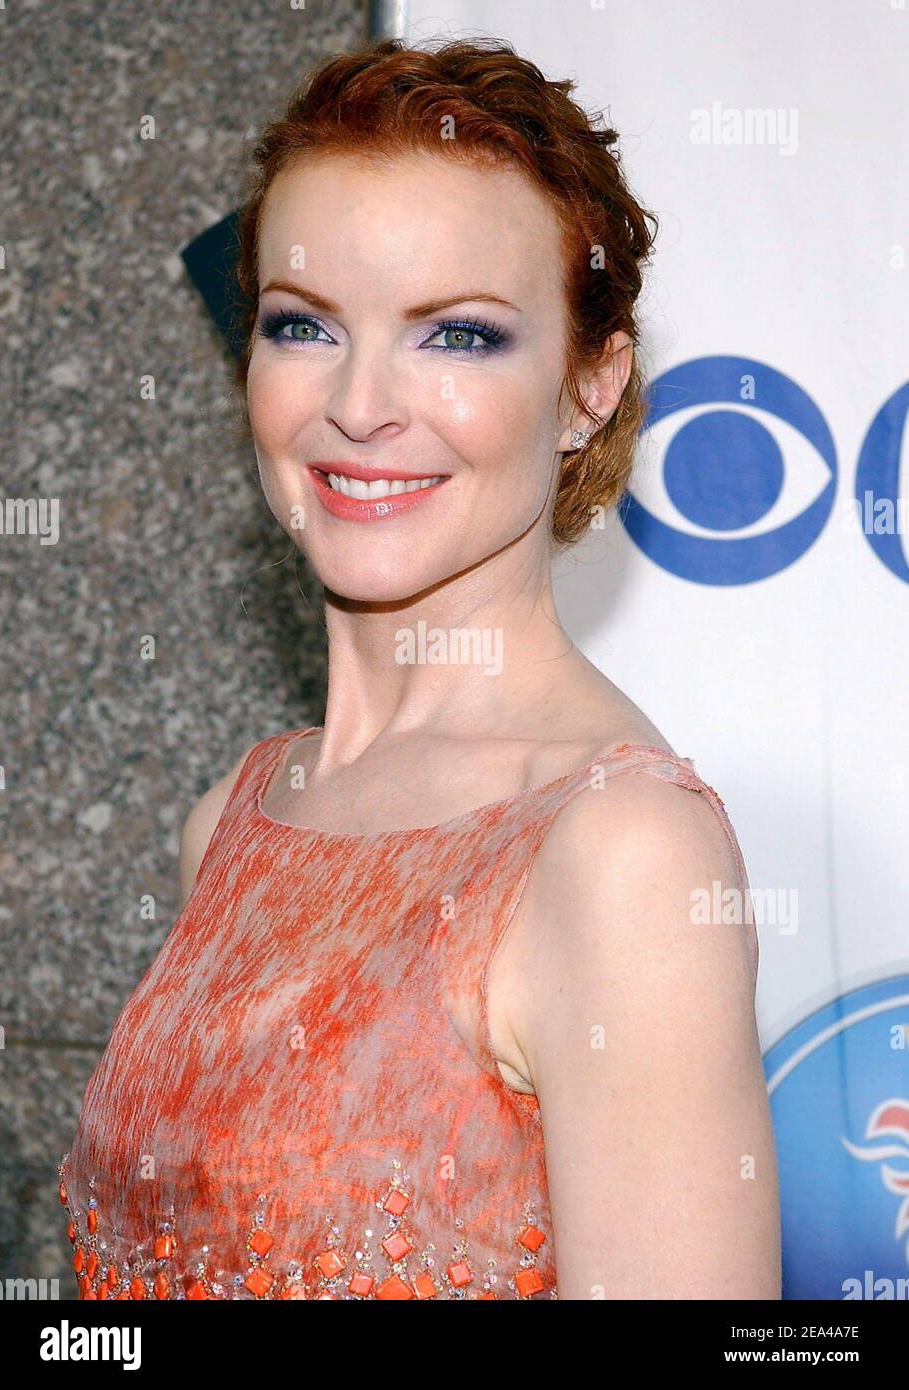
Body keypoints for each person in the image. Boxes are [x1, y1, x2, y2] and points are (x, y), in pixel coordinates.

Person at [59, 35, 780, 1301]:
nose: (360, 404)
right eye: (304, 326)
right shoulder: (235, 817)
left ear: (587, 387)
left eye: (455, 336)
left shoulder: (619, 853)